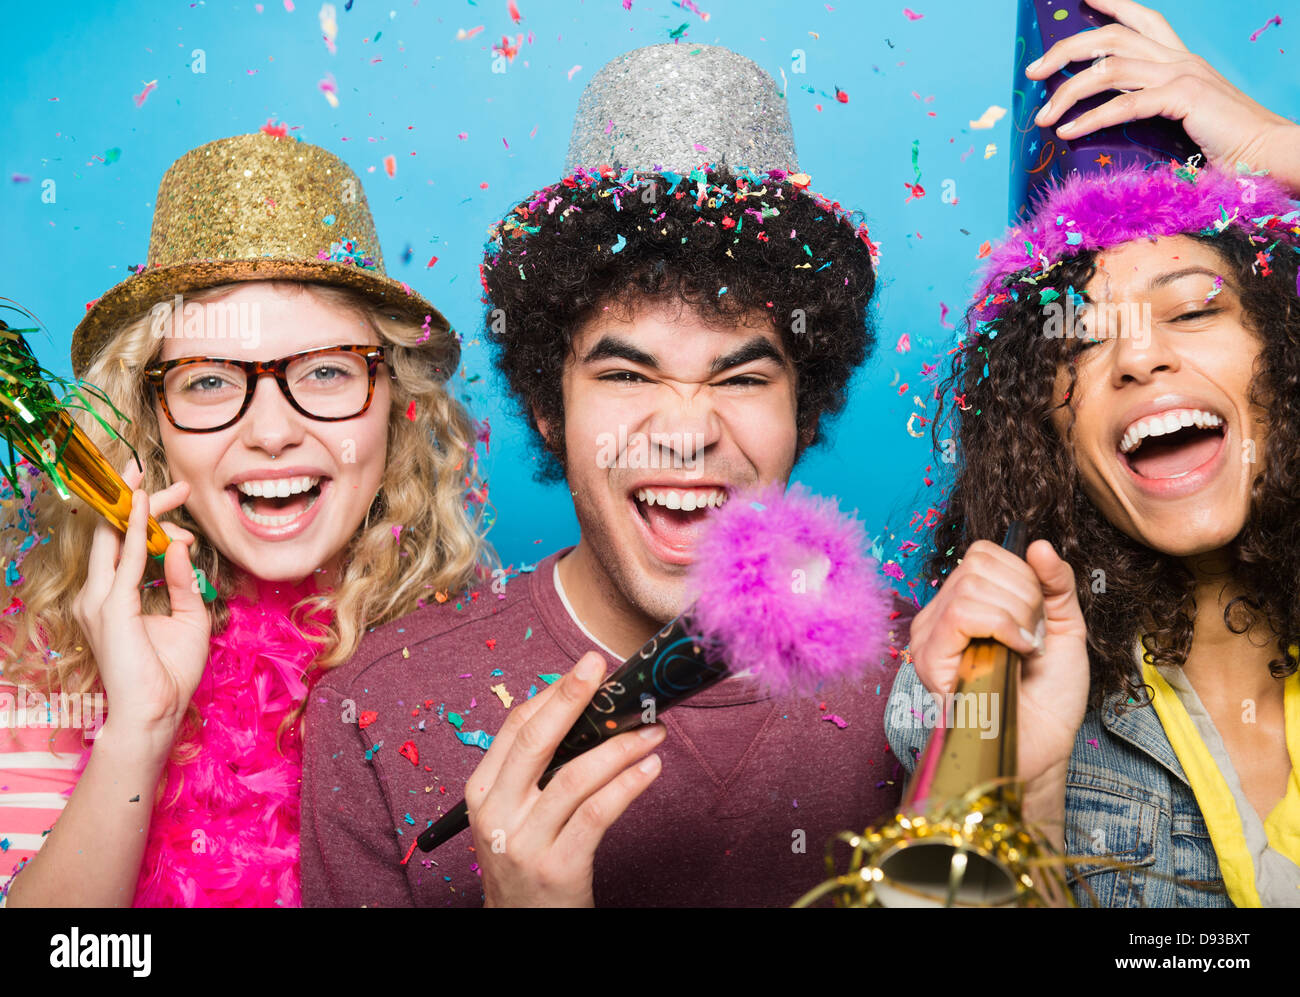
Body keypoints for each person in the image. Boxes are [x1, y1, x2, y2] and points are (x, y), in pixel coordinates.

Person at [300, 43, 913, 907]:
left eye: (740, 378)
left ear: (805, 412)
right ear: (549, 407)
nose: (684, 434)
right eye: (626, 375)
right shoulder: (375, 708)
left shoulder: (933, 685)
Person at [0, 131, 488, 907]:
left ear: (397, 404)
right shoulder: (37, 668)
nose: (269, 431)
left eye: (326, 371)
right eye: (208, 382)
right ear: (149, 417)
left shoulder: (495, 663)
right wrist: (140, 732)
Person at [887, 0, 1300, 907]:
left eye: (1194, 308)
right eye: (1080, 337)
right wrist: (1025, 795)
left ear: (1282, 352)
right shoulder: (966, 693)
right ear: (1046, 423)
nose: (1142, 355)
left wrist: (1277, 147)